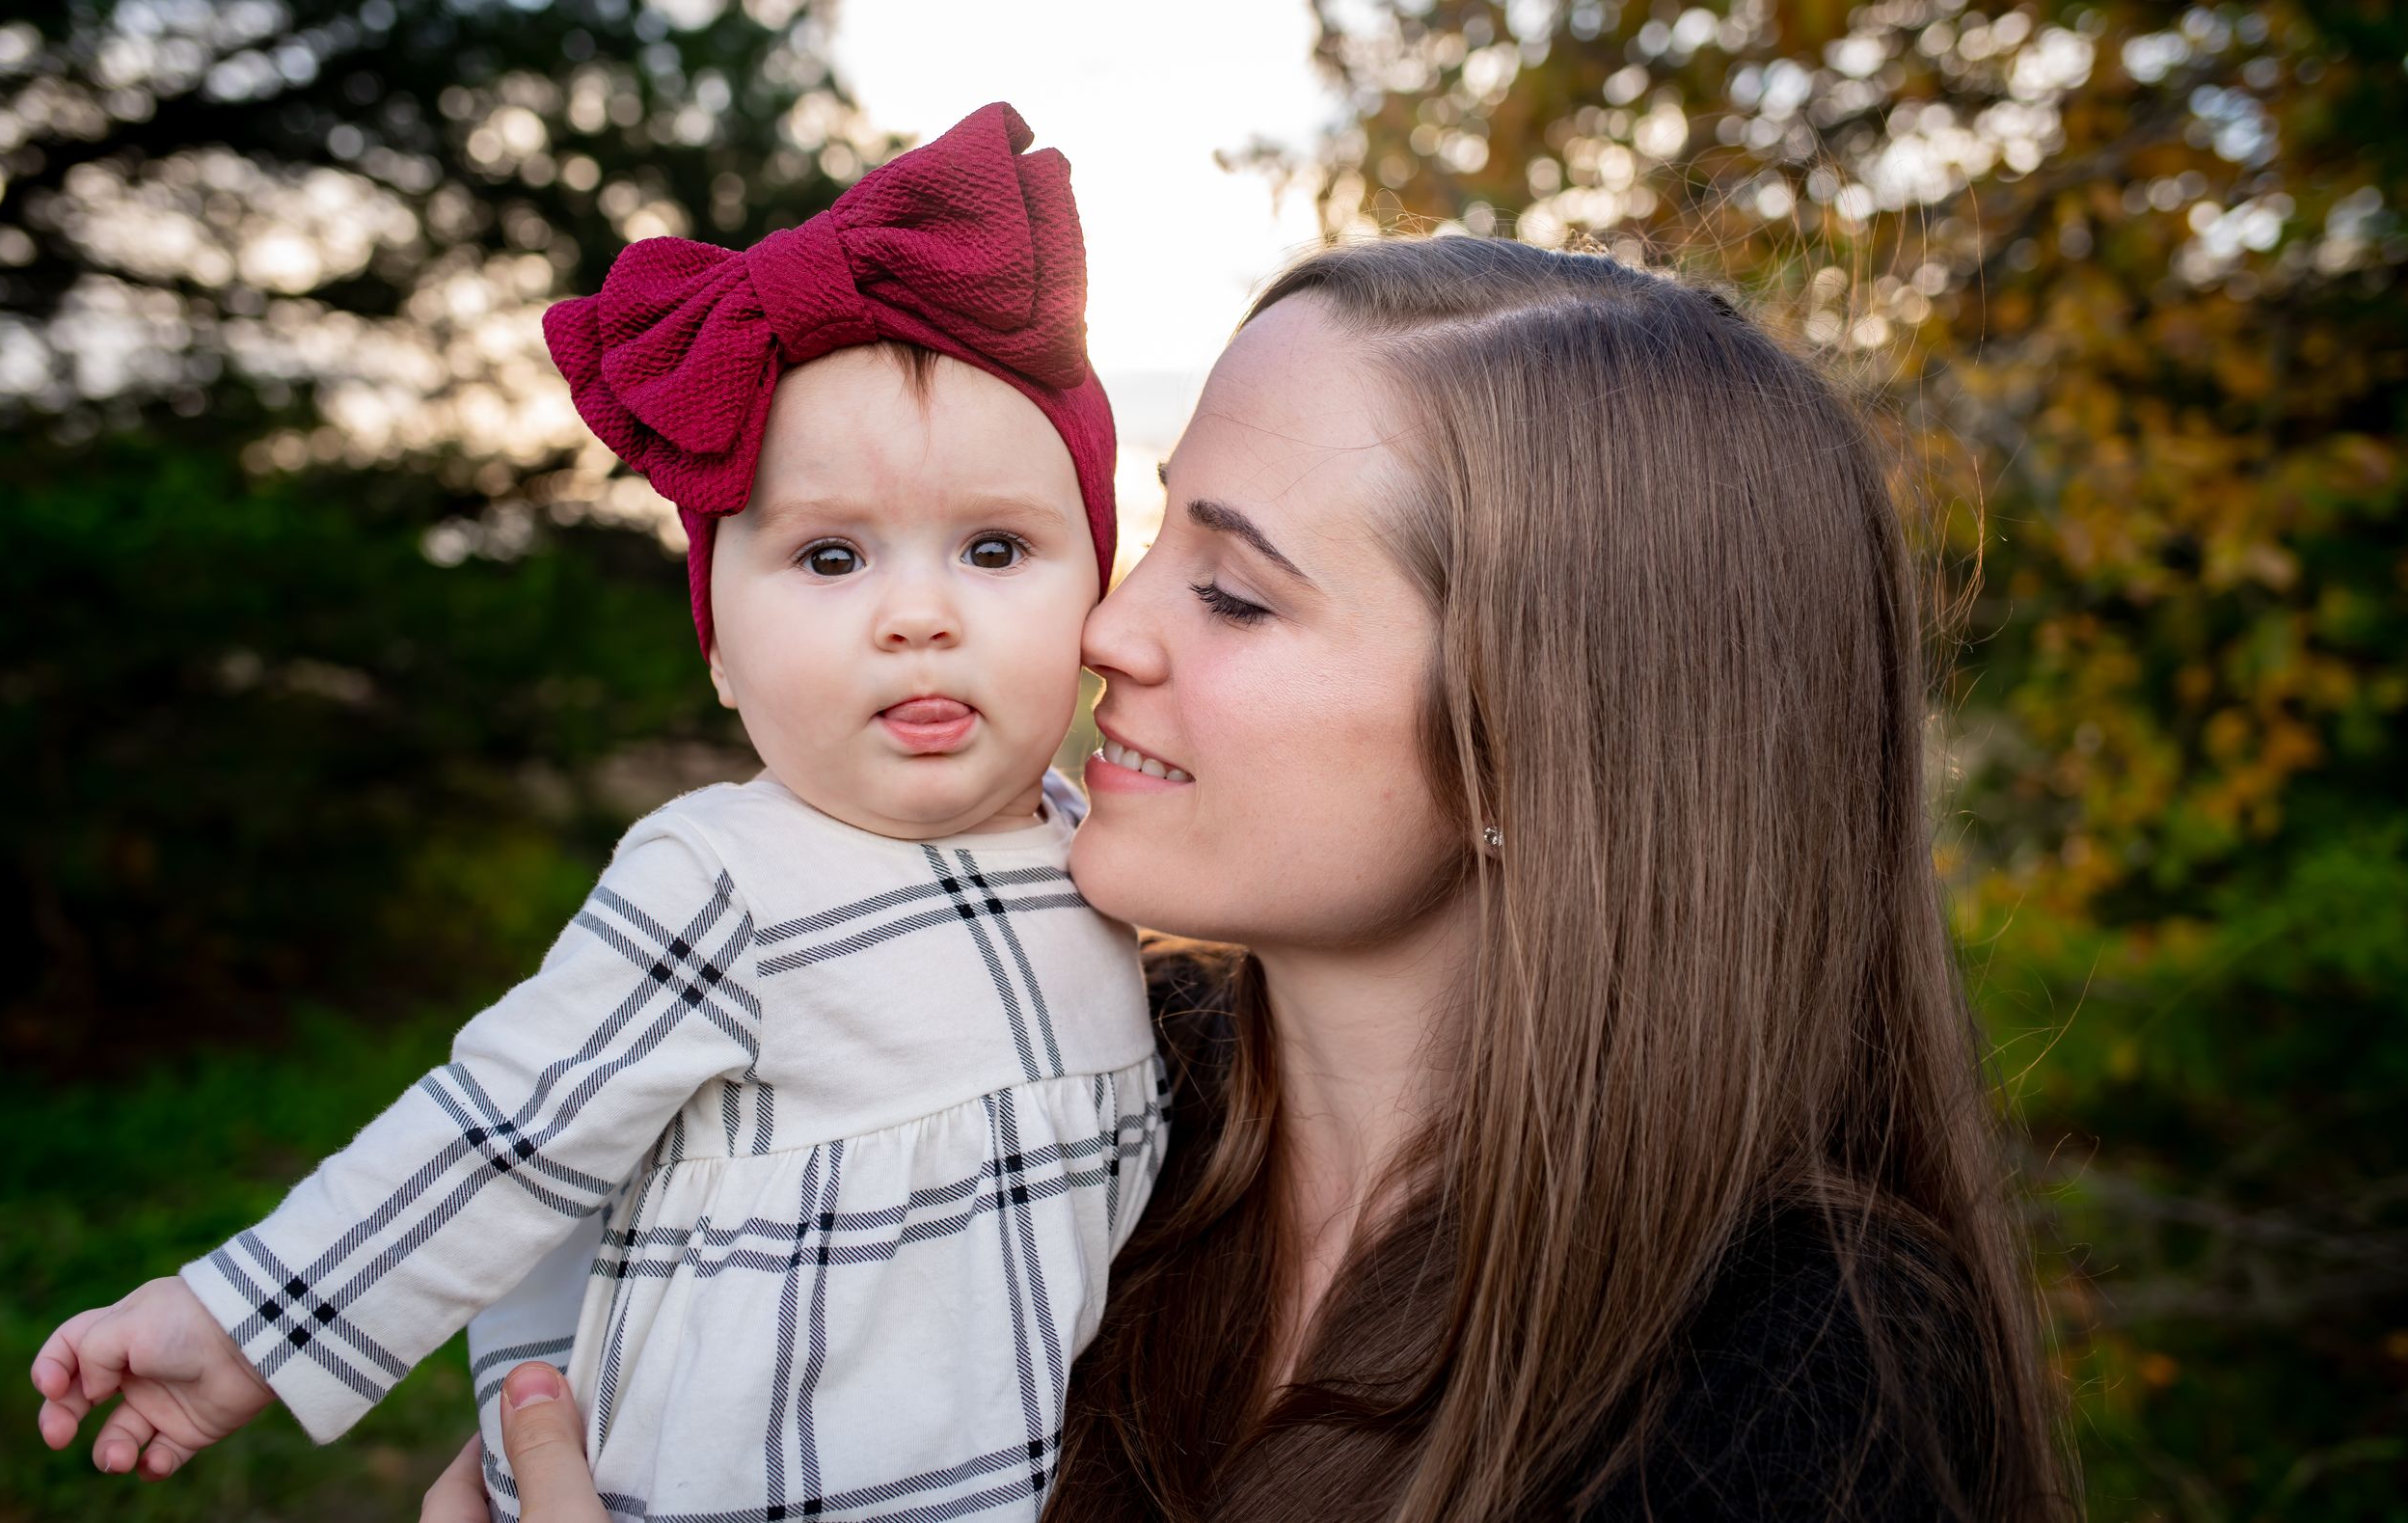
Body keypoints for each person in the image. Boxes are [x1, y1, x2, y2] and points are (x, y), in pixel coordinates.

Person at [437, 231, 2074, 1522]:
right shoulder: (1069, 1104)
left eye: (1231, 594)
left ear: (1544, 741)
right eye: (1147, 541)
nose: (1104, 631)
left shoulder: (1796, 1366)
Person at [29, 102, 1170, 1523]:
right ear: (717, 649)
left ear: (1096, 596)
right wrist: (243, 1325)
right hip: (745, 1482)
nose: (919, 616)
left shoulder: (1096, 848)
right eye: (828, 557)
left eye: (995, 548)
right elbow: (503, 1131)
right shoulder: (727, 877)